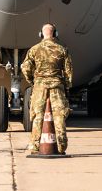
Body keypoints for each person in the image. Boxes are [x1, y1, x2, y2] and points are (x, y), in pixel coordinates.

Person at [21, 23, 73, 155]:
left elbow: (25, 68)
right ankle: (61, 147)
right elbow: (68, 72)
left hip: (40, 87)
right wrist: (67, 87)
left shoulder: (34, 49)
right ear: (55, 34)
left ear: (41, 34)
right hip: (57, 87)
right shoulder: (62, 50)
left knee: (38, 116)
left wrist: (32, 81)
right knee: (59, 116)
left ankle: (34, 146)